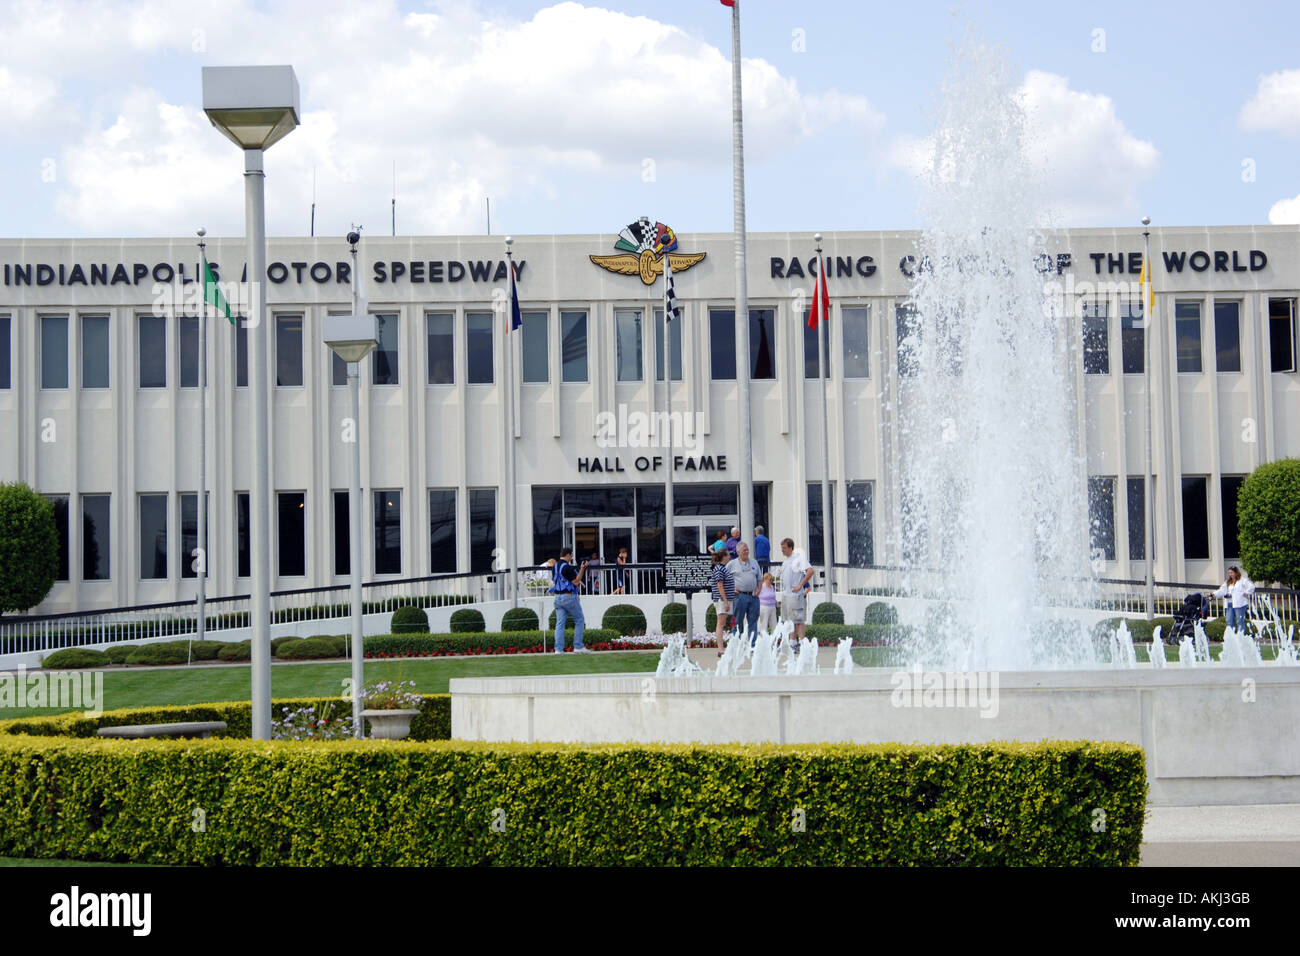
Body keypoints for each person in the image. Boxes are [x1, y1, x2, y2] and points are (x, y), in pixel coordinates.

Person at [549, 547, 589, 653]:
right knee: (579, 620)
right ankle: (578, 646)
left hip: (557, 597)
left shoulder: (555, 566)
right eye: (571, 555)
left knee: (560, 624)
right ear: (567, 555)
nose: (571, 557)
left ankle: (558, 649)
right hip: (568, 597)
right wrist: (582, 569)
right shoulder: (567, 567)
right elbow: (576, 581)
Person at [779, 537, 814, 641]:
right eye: (782, 548)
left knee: (799, 620)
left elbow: (810, 571)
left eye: (784, 548)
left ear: (791, 547)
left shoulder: (799, 558)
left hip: (796, 596)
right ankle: (792, 642)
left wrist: (800, 585)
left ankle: (802, 643)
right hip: (787, 596)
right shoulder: (785, 561)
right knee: (790, 621)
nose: (782, 550)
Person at [727, 541, 761, 639]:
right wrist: (731, 589)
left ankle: (753, 645)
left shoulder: (754, 562)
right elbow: (723, 579)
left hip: (753, 596)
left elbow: (759, 578)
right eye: (744, 550)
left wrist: (759, 589)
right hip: (739, 596)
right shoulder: (732, 564)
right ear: (738, 552)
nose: (746, 552)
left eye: (747, 550)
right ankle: (736, 643)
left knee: (753, 622)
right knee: (737, 621)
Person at [1212, 566, 1255, 632]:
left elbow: (1251, 587)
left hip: (1240, 604)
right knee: (1229, 621)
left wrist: (1247, 593)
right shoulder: (1228, 582)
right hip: (1229, 603)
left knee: (1240, 621)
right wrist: (1213, 594)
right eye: (1229, 573)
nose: (1230, 574)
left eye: (1232, 572)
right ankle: (1230, 637)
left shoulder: (1242, 580)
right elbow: (1222, 590)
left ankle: (1241, 637)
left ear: (1236, 573)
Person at [709, 548, 736, 655]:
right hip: (721, 600)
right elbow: (720, 585)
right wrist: (725, 601)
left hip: (726, 599)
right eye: (728, 555)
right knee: (720, 623)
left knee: (723, 623)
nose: (729, 557)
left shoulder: (723, 568)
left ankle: (722, 647)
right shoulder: (719, 569)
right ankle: (720, 648)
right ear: (724, 557)